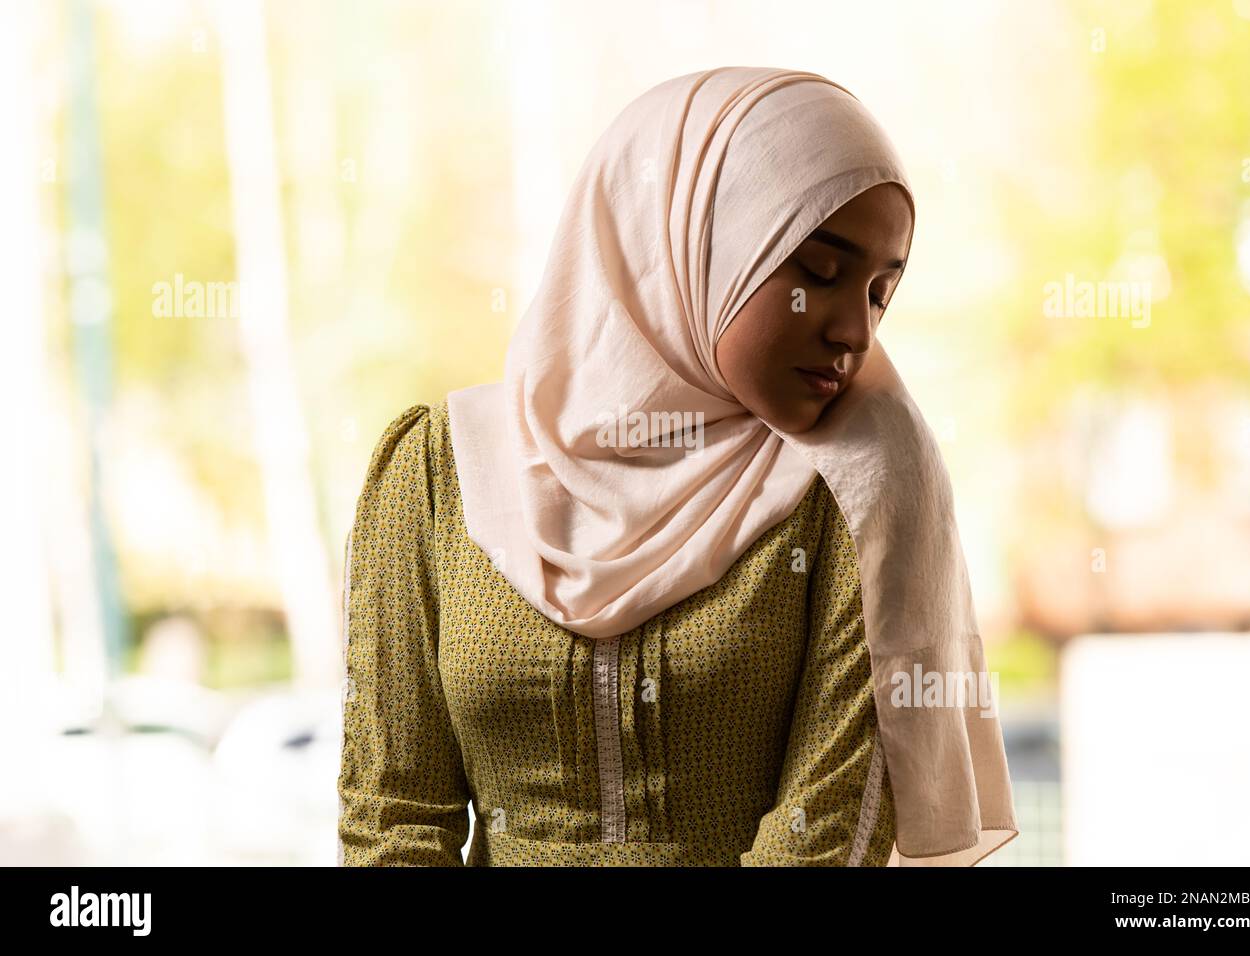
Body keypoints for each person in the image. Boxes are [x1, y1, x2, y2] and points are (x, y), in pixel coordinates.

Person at [336, 65, 1019, 866]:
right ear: (685, 248)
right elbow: (393, 815)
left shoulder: (857, 488)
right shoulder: (433, 475)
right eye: (818, 273)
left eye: (878, 292)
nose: (855, 334)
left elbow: (821, 837)